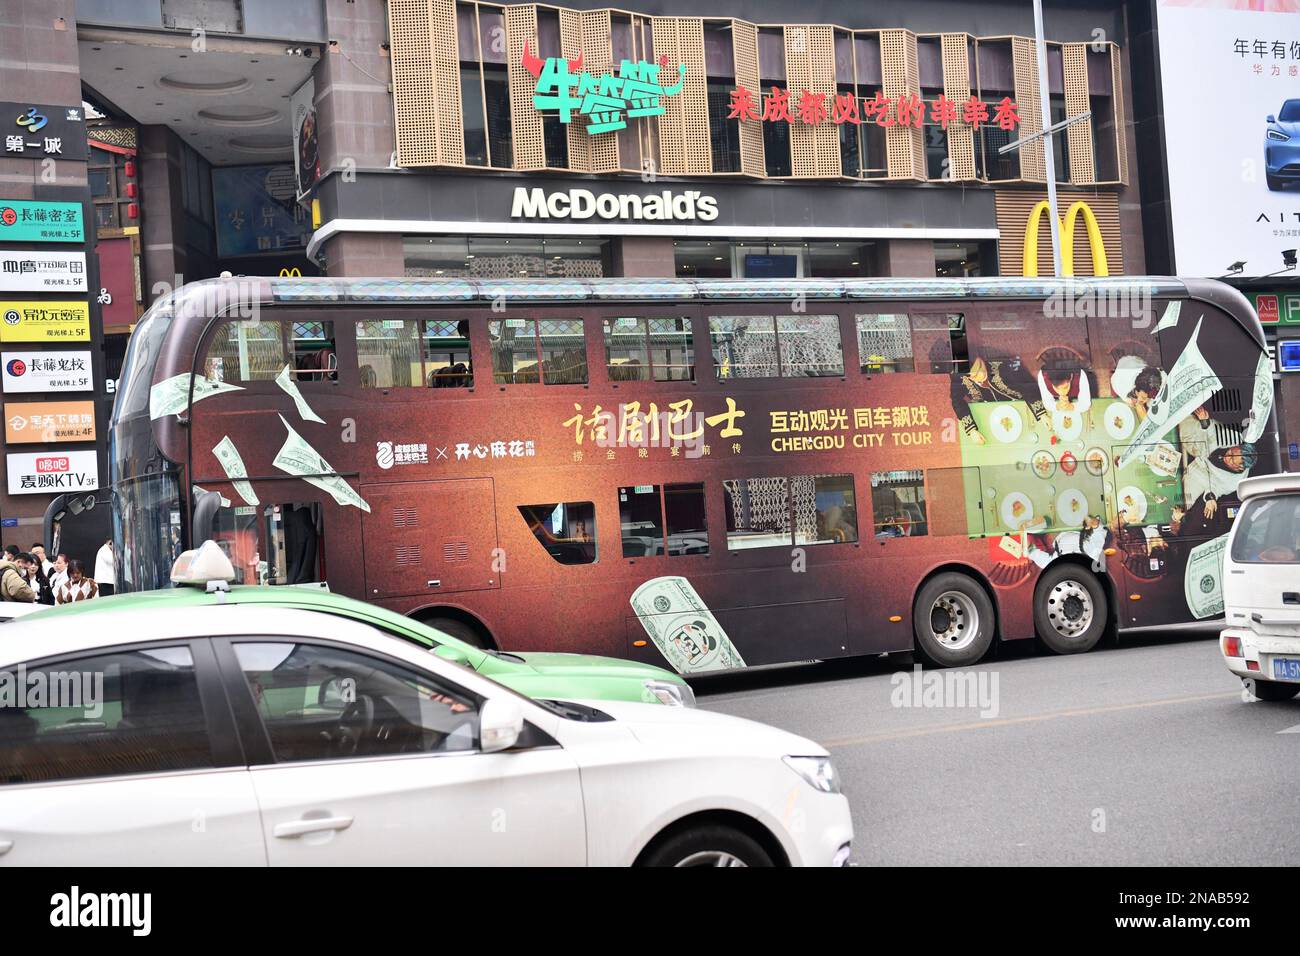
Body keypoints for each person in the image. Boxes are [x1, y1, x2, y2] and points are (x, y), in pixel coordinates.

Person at [948, 353, 1047, 445]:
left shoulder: (1002, 364)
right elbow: (957, 401)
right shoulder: (958, 376)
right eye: (972, 376)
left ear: (980, 358)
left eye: (979, 368)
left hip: (1023, 409)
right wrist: (971, 430)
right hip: (992, 420)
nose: (979, 376)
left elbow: (1027, 387)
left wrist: (1041, 413)